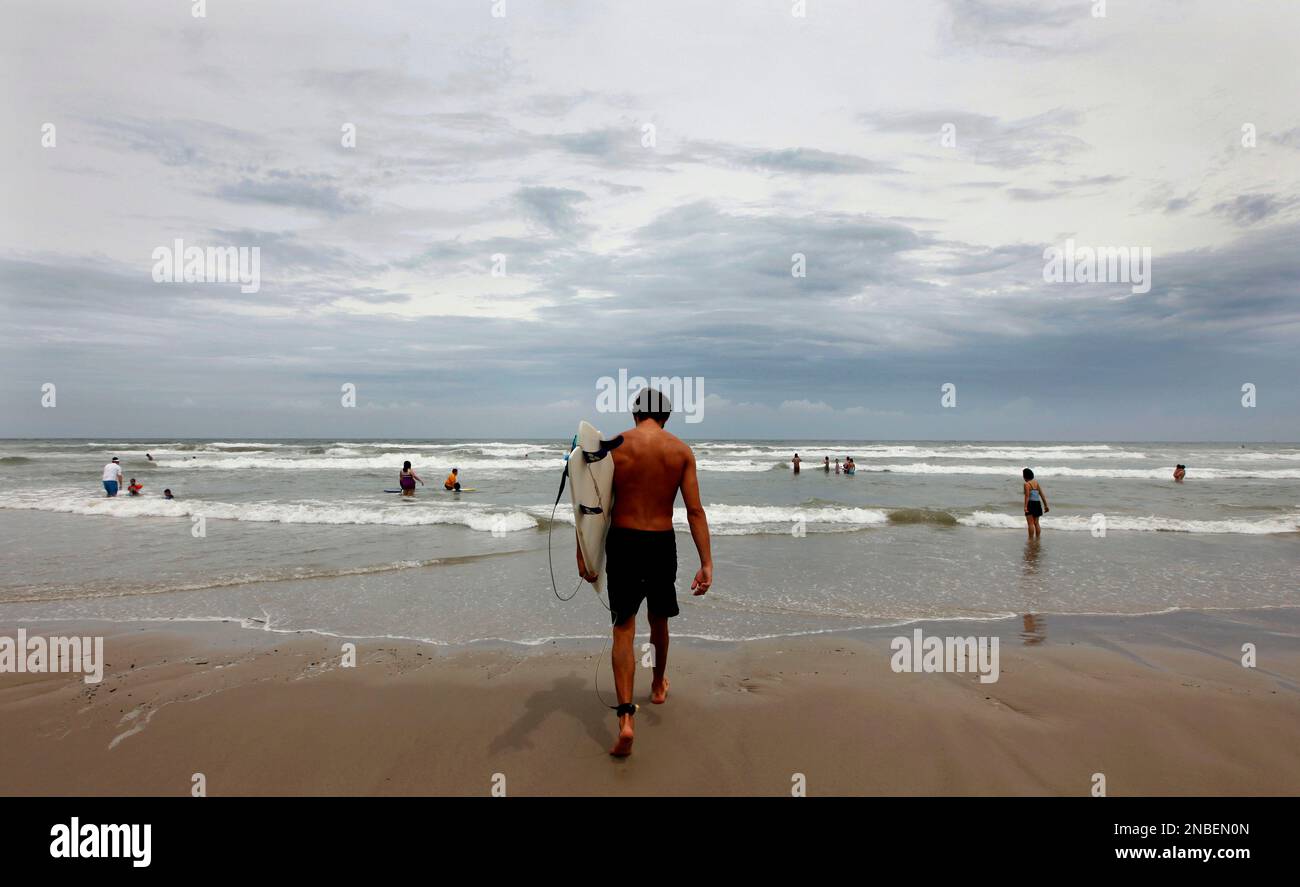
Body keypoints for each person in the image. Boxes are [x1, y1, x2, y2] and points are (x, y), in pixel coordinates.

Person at [577, 388, 712, 758]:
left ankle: (625, 720)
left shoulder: (614, 447)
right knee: (659, 621)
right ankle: (656, 685)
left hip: (623, 542)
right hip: (660, 543)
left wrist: (585, 555)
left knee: (623, 627)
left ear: (635, 414)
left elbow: (590, 506)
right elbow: (695, 512)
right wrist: (706, 562)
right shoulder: (681, 451)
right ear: (666, 416)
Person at [1022, 468, 1049, 539]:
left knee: (1030, 523)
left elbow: (1027, 496)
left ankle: (1030, 539)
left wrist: (1025, 507)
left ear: (1025, 476)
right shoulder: (1036, 483)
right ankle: (1038, 538)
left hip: (1030, 504)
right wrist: (1046, 505)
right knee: (1036, 523)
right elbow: (1042, 495)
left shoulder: (1026, 484)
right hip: (1037, 504)